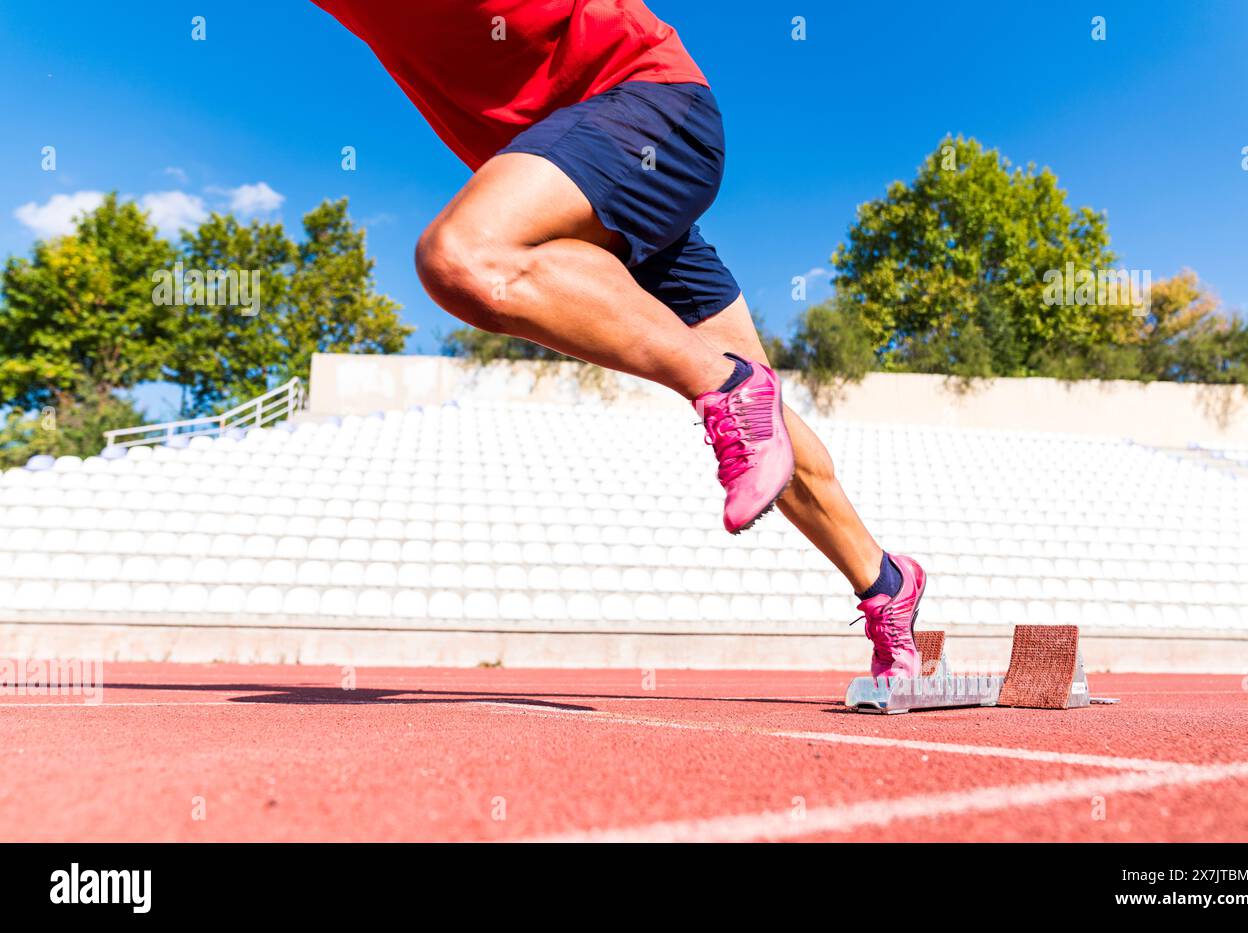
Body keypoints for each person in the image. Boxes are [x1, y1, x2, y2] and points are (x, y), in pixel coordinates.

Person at [312, 0, 925, 678]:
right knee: (765, 422)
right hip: (583, 189)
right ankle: (886, 583)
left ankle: (724, 384)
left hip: (651, 110)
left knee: (464, 255)